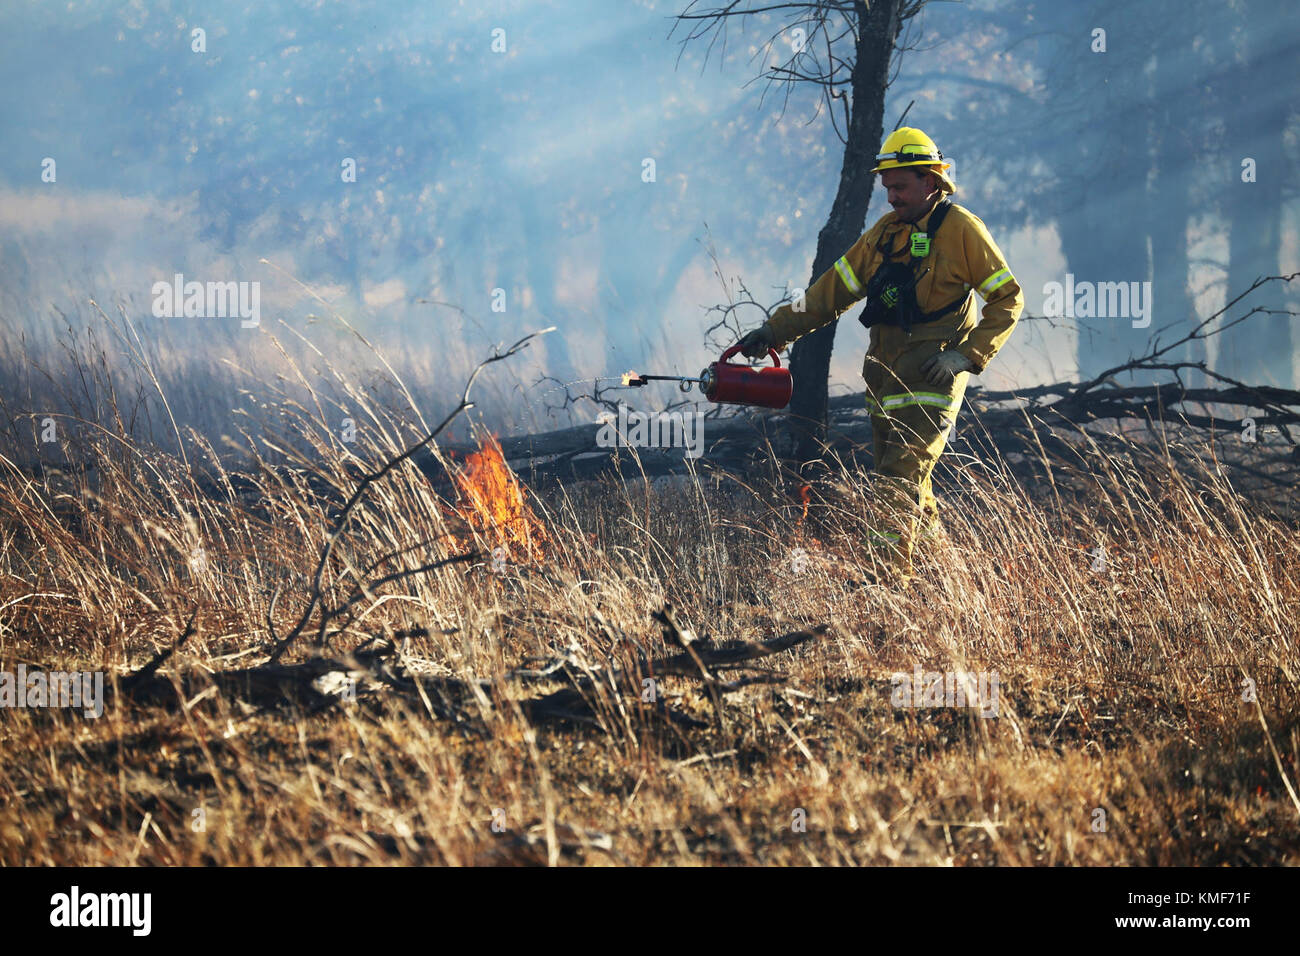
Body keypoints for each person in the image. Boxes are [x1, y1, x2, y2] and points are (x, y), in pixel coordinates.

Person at [737, 127, 1024, 586]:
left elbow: (1008, 300)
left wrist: (966, 356)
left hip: (932, 382)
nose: (891, 197)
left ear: (932, 181)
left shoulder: (963, 231)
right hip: (884, 381)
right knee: (912, 488)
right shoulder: (883, 236)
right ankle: (947, 586)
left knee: (896, 483)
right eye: (886, 187)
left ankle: (886, 587)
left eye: (901, 187)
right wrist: (773, 331)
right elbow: (827, 295)